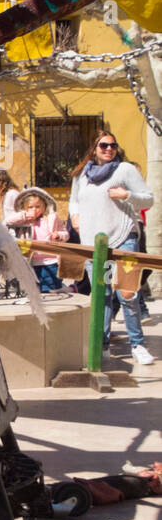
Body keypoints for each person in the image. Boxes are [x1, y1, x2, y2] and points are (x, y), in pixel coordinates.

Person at [68, 132, 155, 365]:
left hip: (124, 238)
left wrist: (127, 195)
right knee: (102, 294)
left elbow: (148, 198)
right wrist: (74, 215)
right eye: (103, 145)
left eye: (113, 145)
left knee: (127, 294)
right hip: (93, 244)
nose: (108, 149)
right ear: (94, 148)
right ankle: (102, 344)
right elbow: (74, 200)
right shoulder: (81, 175)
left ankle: (137, 344)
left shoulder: (125, 170)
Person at [14, 187, 68, 293]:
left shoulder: (51, 219)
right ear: (25, 209)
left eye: (38, 207)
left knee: (50, 290)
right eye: (30, 207)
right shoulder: (24, 221)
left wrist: (58, 235)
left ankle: (62, 290)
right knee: (36, 291)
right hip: (33, 262)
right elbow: (8, 221)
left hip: (51, 261)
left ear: (44, 206)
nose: (34, 210)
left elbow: (66, 233)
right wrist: (24, 216)